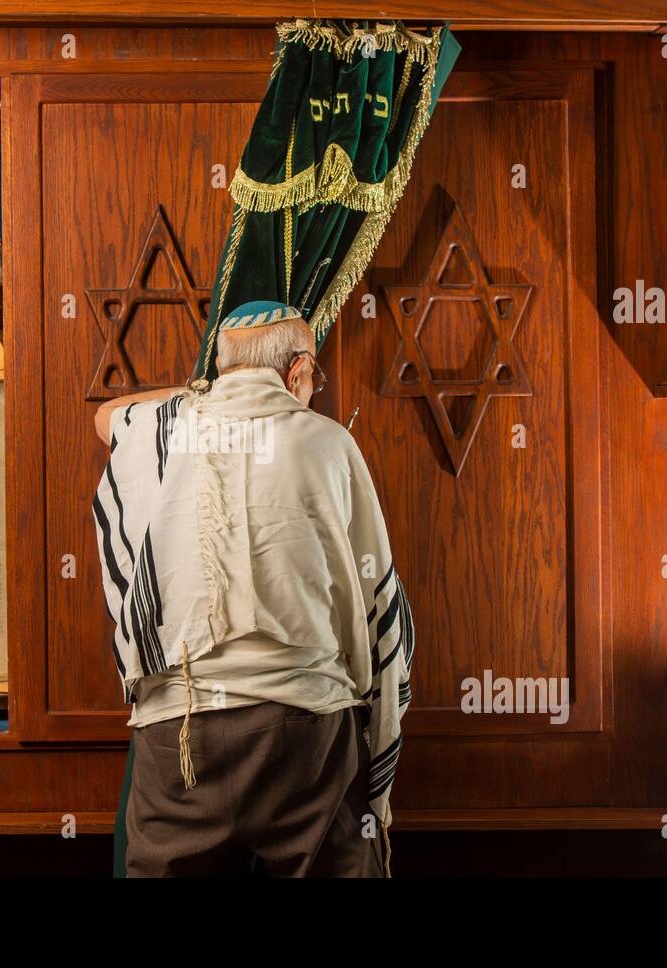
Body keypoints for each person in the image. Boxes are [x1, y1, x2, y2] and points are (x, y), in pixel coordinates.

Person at [92, 300, 414, 877]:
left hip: (181, 732)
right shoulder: (327, 441)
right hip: (305, 731)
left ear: (222, 370)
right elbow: (375, 599)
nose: (315, 389)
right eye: (315, 376)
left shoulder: (158, 432)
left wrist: (213, 389)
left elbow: (107, 415)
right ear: (297, 371)